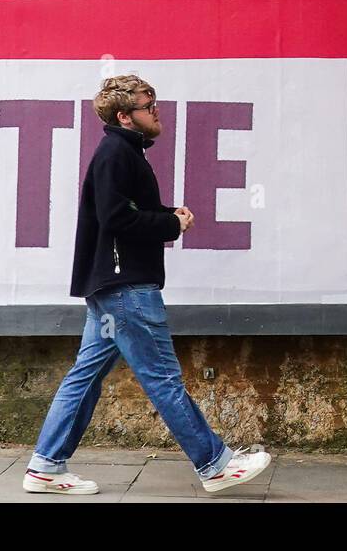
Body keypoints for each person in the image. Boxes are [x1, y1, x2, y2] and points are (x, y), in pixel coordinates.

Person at [23, 75, 271, 495]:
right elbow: (116, 217)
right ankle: (214, 465)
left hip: (110, 288)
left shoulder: (121, 153)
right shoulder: (116, 153)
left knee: (84, 377)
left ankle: (46, 466)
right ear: (125, 116)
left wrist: (167, 214)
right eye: (148, 104)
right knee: (163, 379)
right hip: (127, 289)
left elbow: (127, 210)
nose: (157, 111)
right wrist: (169, 223)